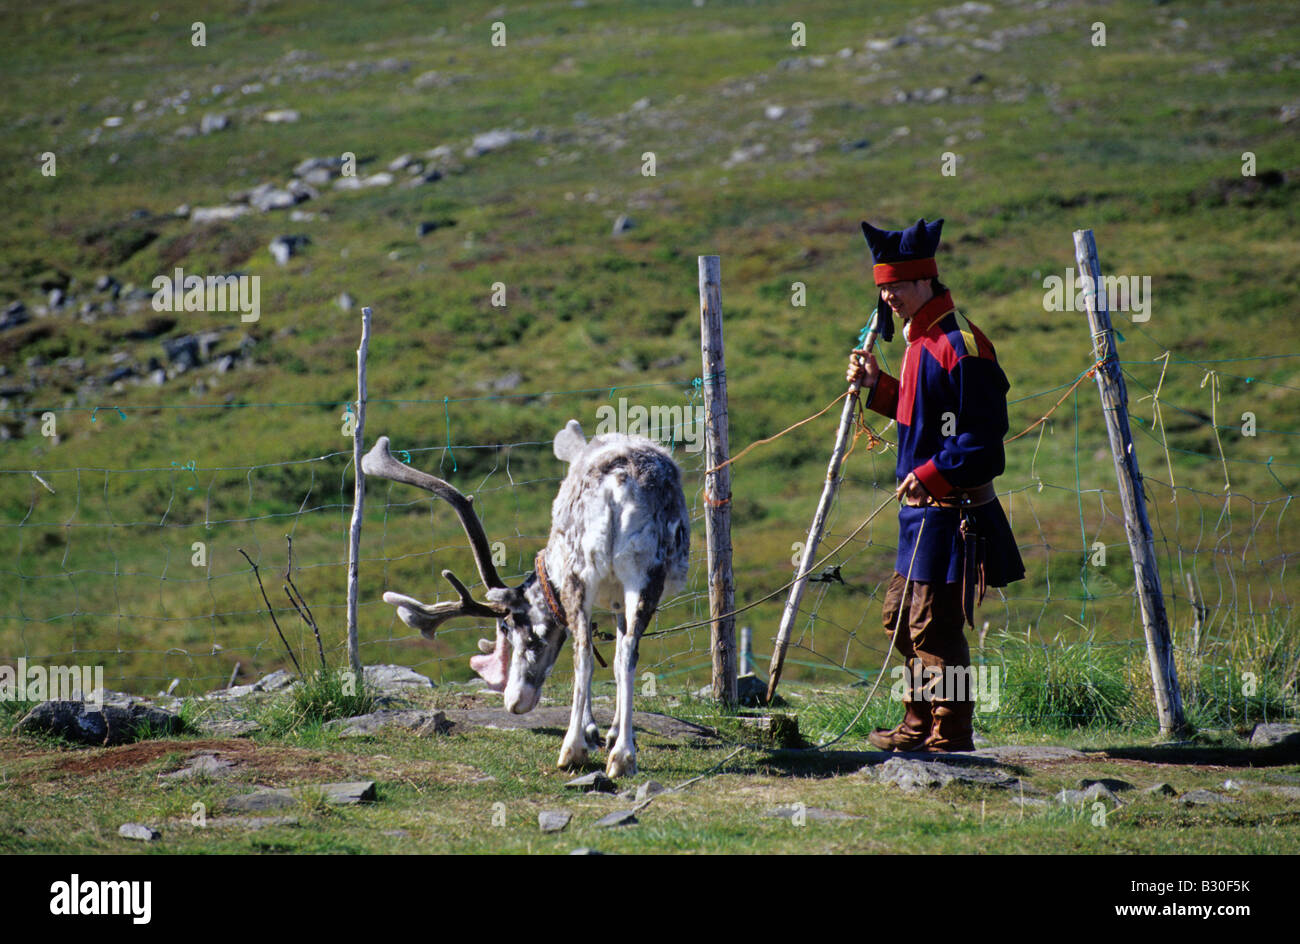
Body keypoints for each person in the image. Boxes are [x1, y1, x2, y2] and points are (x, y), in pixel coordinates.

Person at [845, 218, 1024, 752]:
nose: (887, 297)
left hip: (953, 512)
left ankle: (952, 734)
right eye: (882, 287)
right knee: (902, 620)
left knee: (935, 629)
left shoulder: (960, 345)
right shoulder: (920, 340)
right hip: (920, 514)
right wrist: (878, 387)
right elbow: (922, 415)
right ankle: (917, 723)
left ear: (924, 281)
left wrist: (928, 474)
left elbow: (985, 443)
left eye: (895, 287)